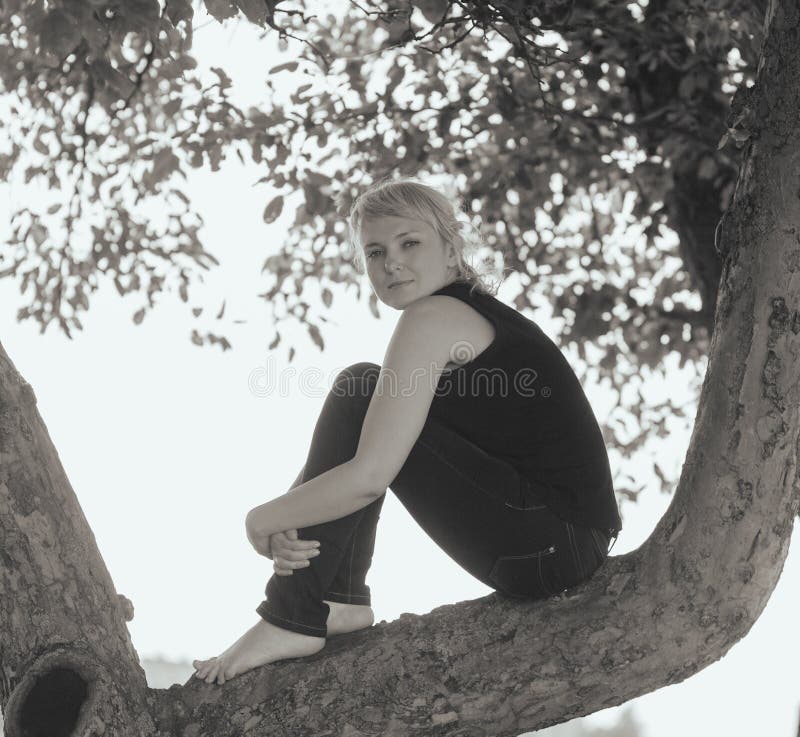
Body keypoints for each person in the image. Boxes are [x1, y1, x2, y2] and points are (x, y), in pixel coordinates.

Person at [192, 178, 621, 685]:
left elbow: (371, 474)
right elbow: (370, 454)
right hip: (559, 545)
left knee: (358, 391)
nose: (391, 261)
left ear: (451, 247)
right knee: (367, 399)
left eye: (409, 243)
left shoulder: (435, 316)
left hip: (550, 540)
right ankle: (336, 598)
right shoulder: (462, 313)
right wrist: (295, 512)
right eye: (375, 252)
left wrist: (260, 518)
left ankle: (292, 614)